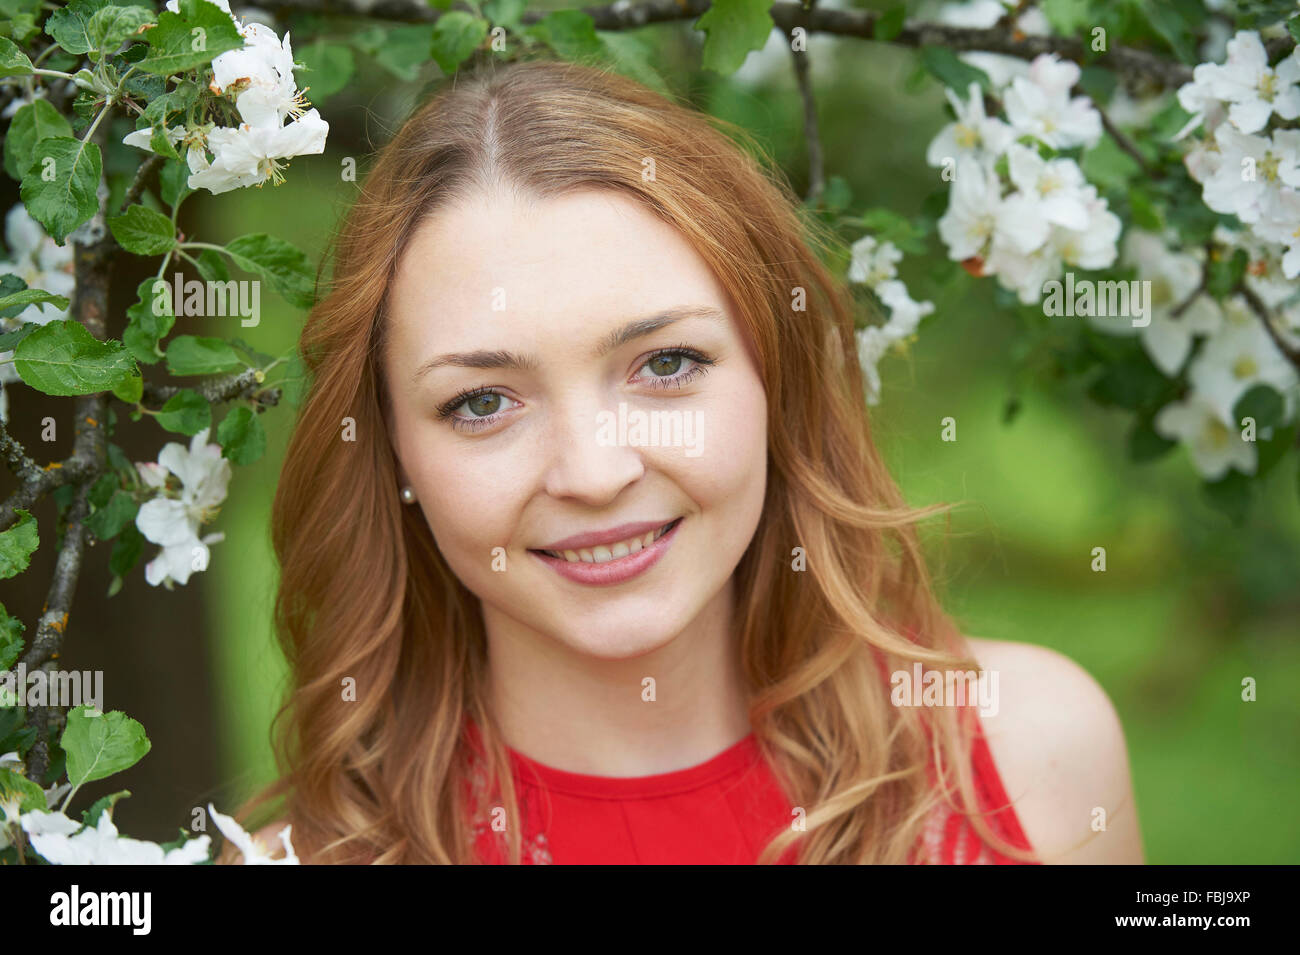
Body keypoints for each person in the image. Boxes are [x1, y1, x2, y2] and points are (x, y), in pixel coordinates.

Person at [220, 58, 1143, 865]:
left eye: (667, 364)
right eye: (482, 401)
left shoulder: (1030, 751)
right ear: (392, 452)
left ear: (774, 381)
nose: (592, 471)